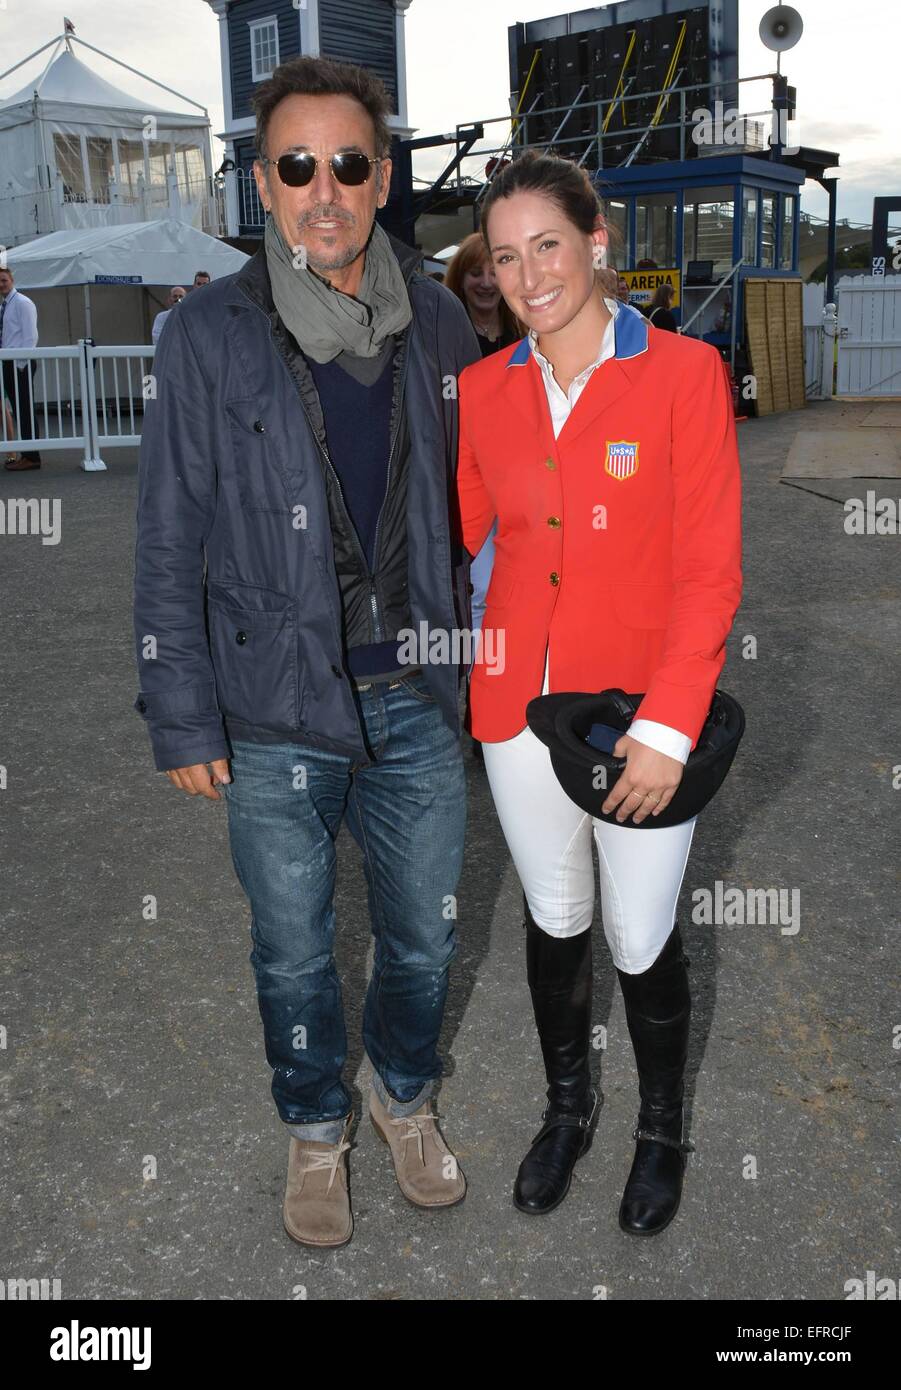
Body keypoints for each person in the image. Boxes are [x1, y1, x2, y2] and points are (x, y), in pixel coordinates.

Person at [133, 54, 480, 1250]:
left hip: (418, 697)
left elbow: (478, 512)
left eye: (345, 163)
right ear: (263, 184)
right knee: (290, 954)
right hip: (272, 705)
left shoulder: (440, 318)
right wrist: (180, 713)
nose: (321, 188)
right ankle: (315, 1125)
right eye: (295, 166)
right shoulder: (205, 333)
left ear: (380, 179)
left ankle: (400, 1094)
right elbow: (168, 530)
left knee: (425, 934)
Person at [456, 150, 742, 1235]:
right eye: (504, 255)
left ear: (595, 243)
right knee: (554, 913)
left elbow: (709, 567)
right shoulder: (483, 390)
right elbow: (467, 537)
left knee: (637, 928)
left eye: (548, 247)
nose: (528, 275)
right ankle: (567, 1110)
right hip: (515, 711)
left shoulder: (683, 374)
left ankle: (661, 1131)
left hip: (639, 720)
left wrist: (666, 728)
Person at [443, 233, 521, 757]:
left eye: (494, 270)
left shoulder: (525, 326)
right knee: (474, 595)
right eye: (476, 272)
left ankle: (509, 702)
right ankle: (474, 705)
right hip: (466, 480)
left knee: (508, 595)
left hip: (518, 481)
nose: (486, 282)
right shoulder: (444, 332)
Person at [0, 267, 41, 471]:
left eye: (3, 280)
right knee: (20, 409)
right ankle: (27, 453)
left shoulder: (23, 303)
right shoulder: (6, 305)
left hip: (20, 363)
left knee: (25, 410)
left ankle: (32, 457)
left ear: (12, 280)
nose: (1, 284)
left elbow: (30, 337)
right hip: (10, 362)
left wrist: (22, 364)